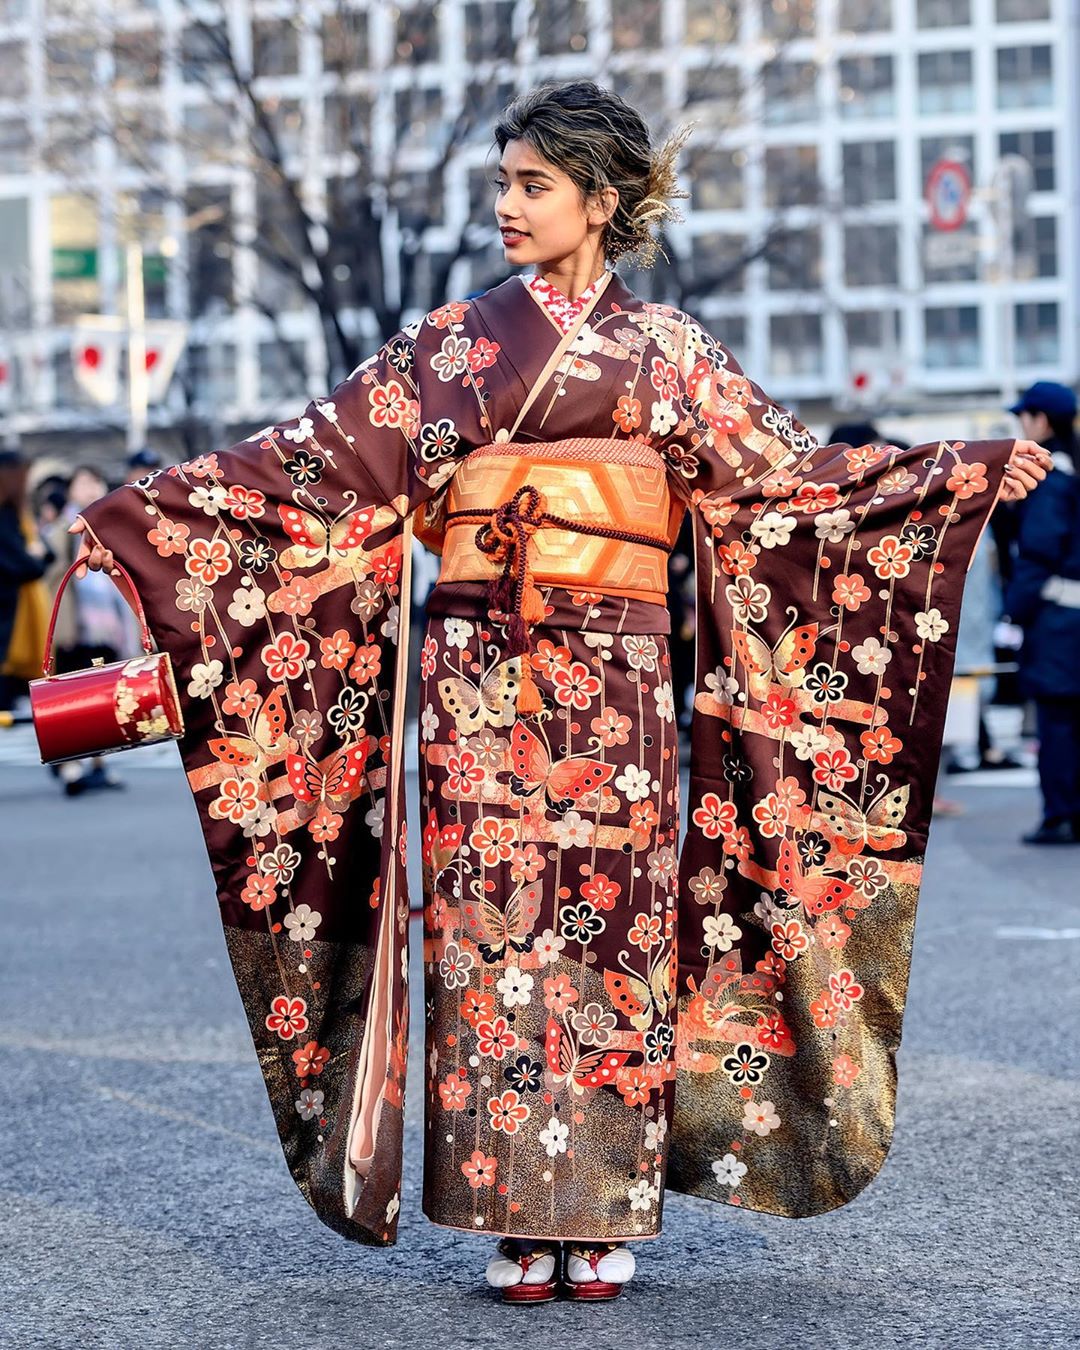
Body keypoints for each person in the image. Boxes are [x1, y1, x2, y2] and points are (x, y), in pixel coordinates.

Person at [69, 81, 1050, 1302]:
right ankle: (513, 1217)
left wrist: (951, 479)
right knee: (493, 941)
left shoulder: (672, 354)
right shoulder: (451, 346)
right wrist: (140, 515)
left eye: (534, 186)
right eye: (503, 184)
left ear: (605, 201)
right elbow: (308, 470)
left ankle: (600, 1209)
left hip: (619, 686)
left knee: (612, 939)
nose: (508, 209)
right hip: (480, 681)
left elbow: (794, 488)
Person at [1003, 381, 1080, 844]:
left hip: (1058, 619)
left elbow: (1037, 552)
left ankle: (1061, 815)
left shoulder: (1053, 479)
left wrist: (1011, 616)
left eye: (1024, 418)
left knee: (1058, 721)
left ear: (1041, 422)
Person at [44, 466, 134, 795]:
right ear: (70, 490)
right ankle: (70, 766)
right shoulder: (63, 528)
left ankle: (98, 763)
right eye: (84, 482)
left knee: (104, 702)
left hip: (106, 629)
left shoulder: (110, 525)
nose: (91, 487)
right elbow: (49, 569)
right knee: (69, 701)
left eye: (96, 480)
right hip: (74, 628)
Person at [0, 450, 53, 712]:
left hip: (14, 615)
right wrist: (37, 559)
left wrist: (38, 558)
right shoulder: (7, 516)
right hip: (8, 617)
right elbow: (26, 563)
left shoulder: (18, 514)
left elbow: (44, 553)